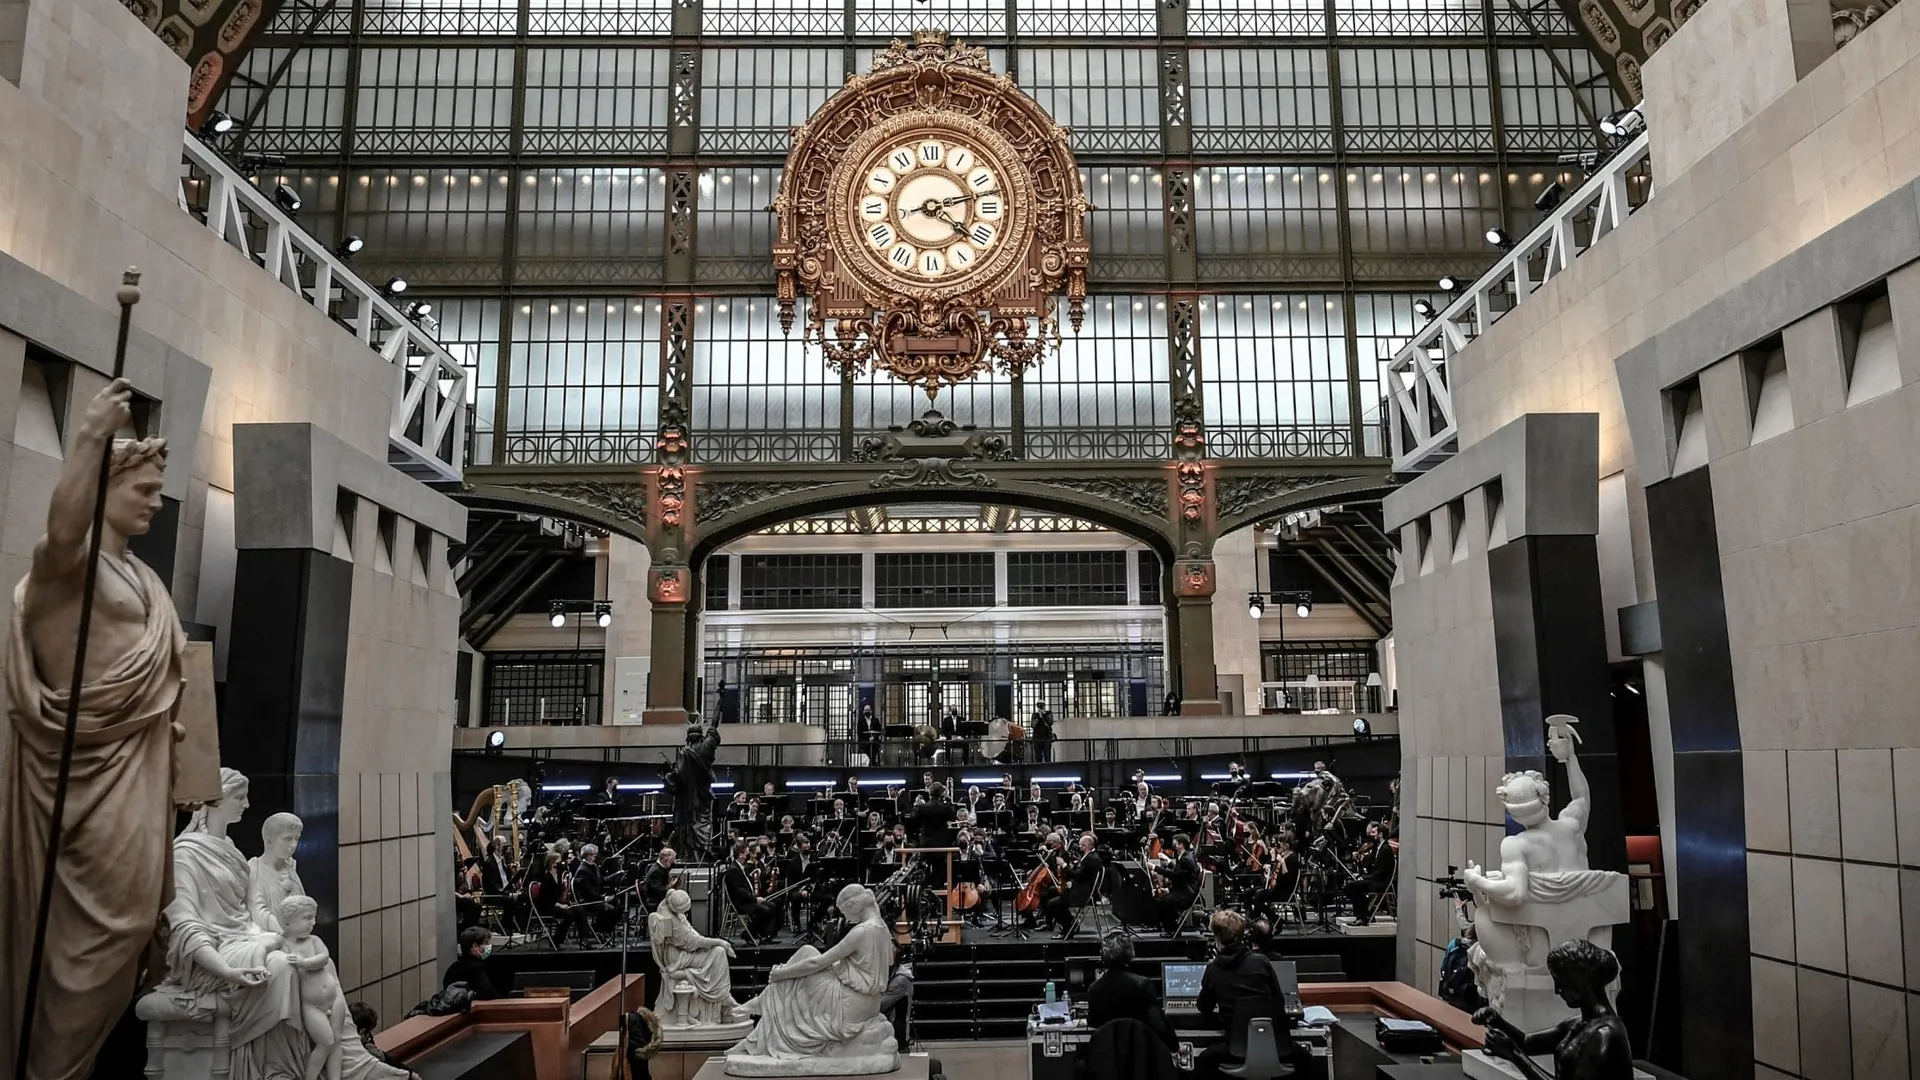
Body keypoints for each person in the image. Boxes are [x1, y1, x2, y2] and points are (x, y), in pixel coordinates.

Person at [1, 380, 190, 1080]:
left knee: (137, 926)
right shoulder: (68, 575)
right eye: (142, 487)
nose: (153, 501)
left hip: (135, 776)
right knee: (92, 940)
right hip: (78, 783)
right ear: (103, 486)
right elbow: (58, 534)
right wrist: (88, 437)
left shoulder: (143, 580)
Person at [726, 884, 899, 1070]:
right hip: (869, 1004)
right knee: (805, 957)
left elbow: (818, 963)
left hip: (851, 1004)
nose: (844, 918)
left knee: (799, 968)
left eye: (843, 912)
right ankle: (758, 1021)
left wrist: (779, 973)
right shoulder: (883, 929)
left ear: (853, 906)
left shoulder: (862, 932)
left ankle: (758, 1021)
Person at [1472, 939, 1633, 1080]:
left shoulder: (1604, 1035)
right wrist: (1498, 1022)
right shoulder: (1579, 1023)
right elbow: (1527, 1043)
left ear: (1578, 981)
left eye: (1560, 981)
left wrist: (1514, 1054)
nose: (1557, 990)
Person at [1193, 910, 1305, 1080]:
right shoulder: (1261, 962)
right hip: (1275, 1043)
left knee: (1203, 1061)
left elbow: (1204, 1007)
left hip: (1236, 1047)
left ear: (1217, 938)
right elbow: (1278, 1000)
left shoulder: (1213, 969)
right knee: (1306, 1059)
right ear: (1242, 936)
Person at [1085, 933, 1177, 1049]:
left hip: (1108, 1057)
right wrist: (1176, 1046)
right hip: (1140, 1055)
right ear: (1131, 954)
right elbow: (1158, 1023)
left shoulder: (1094, 989)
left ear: (1103, 956)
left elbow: (1093, 1022)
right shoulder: (1143, 984)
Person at [1044, 833, 1104, 937]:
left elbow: (1078, 876)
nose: (1079, 847)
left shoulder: (1091, 859)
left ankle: (1068, 929)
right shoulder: (1091, 857)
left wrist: (1064, 864)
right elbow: (1083, 876)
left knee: (1052, 904)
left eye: (1080, 845)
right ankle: (1070, 924)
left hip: (1082, 894)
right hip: (1081, 889)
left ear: (1085, 846)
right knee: (1055, 894)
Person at [723, 841, 781, 940]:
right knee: (766, 910)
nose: (747, 855)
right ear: (741, 855)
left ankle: (764, 934)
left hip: (747, 899)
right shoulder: (733, 870)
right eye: (746, 853)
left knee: (773, 906)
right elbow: (740, 891)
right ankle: (750, 934)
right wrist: (755, 899)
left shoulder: (739, 867)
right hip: (741, 903)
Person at [1343, 821, 1396, 924]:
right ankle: (1364, 914)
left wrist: (1365, 878)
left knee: (1351, 887)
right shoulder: (1377, 848)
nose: (1370, 835)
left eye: (1373, 833)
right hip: (1375, 879)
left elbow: (1380, 872)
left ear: (1380, 834)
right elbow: (1373, 869)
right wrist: (1361, 875)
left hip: (1381, 882)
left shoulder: (1385, 850)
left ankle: (1363, 915)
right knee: (1352, 887)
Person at [1156, 833, 1200, 935]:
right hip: (1183, 889)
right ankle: (1172, 927)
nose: (1173, 844)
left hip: (1186, 894)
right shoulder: (1184, 856)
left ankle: (1172, 929)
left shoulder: (1186, 859)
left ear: (1181, 845)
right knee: (1162, 900)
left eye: (1175, 843)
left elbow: (1175, 875)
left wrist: (1155, 868)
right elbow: (1179, 874)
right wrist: (1169, 890)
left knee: (1163, 903)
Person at [444, 926, 503, 999]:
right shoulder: (476, 968)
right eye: (486, 943)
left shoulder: (453, 967)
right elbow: (487, 992)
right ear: (475, 946)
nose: (489, 946)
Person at [910, 782, 959, 849]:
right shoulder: (945, 808)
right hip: (942, 844)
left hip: (926, 844)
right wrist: (948, 799)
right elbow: (953, 815)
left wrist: (916, 804)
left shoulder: (922, 808)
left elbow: (912, 817)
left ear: (929, 793)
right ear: (941, 794)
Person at [643, 847, 678, 912]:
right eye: (672, 861)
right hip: (654, 902)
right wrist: (670, 885)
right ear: (665, 860)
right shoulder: (656, 871)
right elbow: (660, 890)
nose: (673, 863)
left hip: (657, 897)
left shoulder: (660, 867)